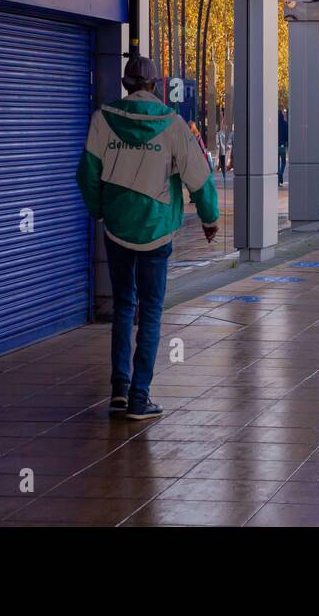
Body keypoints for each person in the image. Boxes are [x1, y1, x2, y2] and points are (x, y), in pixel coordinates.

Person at [76, 56, 219, 420]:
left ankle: (119, 391)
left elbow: (86, 176)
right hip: (156, 231)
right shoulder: (172, 125)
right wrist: (209, 219)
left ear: (125, 84)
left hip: (117, 227)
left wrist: (100, 209)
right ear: (154, 85)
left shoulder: (101, 120)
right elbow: (199, 177)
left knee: (124, 305)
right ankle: (140, 396)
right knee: (151, 310)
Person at [277, 108, 289, 186]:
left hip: (275, 146)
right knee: (283, 161)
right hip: (282, 146)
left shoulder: (274, 124)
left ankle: (277, 178)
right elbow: (287, 135)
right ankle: (281, 173)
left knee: (277, 162)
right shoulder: (285, 124)